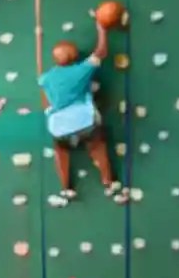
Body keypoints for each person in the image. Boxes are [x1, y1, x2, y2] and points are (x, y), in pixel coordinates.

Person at [38, 19, 126, 206]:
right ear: (75, 56)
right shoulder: (81, 70)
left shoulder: (46, 78)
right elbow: (101, 52)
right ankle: (108, 182)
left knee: (61, 154)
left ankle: (66, 188)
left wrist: (47, 110)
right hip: (84, 121)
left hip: (59, 125)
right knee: (97, 149)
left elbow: (44, 92)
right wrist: (101, 29)